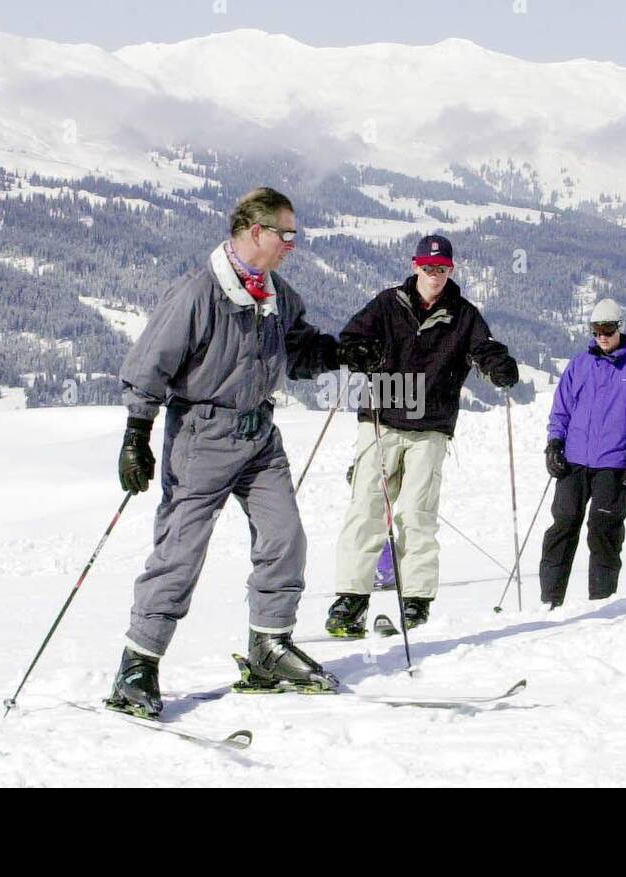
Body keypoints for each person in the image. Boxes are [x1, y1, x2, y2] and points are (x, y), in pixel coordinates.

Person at [109, 187, 382, 717]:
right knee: (180, 553)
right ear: (255, 233)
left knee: (285, 537)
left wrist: (339, 353)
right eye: (286, 235)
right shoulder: (197, 294)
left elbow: (297, 351)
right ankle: (137, 665)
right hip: (202, 437)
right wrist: (135, 435)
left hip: (259, 436)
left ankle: (269, 647)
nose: (291, 245)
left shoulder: (277, 294)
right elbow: (149, 365)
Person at [326, 234, 519, 637]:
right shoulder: (387, 303)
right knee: (365, 508)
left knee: (416, 514)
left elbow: (483, 348)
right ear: (416, 266)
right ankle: (351, 599)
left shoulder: (463, 315)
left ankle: (415, 601)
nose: (435, 274)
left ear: (452, 270)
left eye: (442, 268)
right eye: (429, 267)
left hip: (430, 426)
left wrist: (497, 364)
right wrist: (359, 353)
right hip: (380, 418)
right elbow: (351, 337)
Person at [539, 298, 626, 607]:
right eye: (596, 329)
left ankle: (600, 605)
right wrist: (554, 444)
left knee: (603, 532)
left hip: (615, 464)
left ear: (620, 328)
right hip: (574, 461)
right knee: (563, 527)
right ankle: (550, 603)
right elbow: (561, 409)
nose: (602, 336)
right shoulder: (579, 365)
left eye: (608, 329)